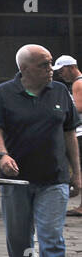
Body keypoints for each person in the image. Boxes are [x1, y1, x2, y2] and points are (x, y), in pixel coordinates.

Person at [0, 44, 80, 257]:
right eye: (44, 65)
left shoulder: (60, 92)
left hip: (53, 179)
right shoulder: (5, 92)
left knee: (51, 239)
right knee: (19, 238)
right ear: (25, 69)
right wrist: (2, 155)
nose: (50, 69)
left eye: (50, 63)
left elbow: (69, 134)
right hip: (17, 180)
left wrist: (77, 173)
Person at [52, 56, 82, 217]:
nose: (60, 75)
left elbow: (78, 108)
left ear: (71, 67)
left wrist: (60, 108)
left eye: (62, 71)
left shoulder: (78, 83)